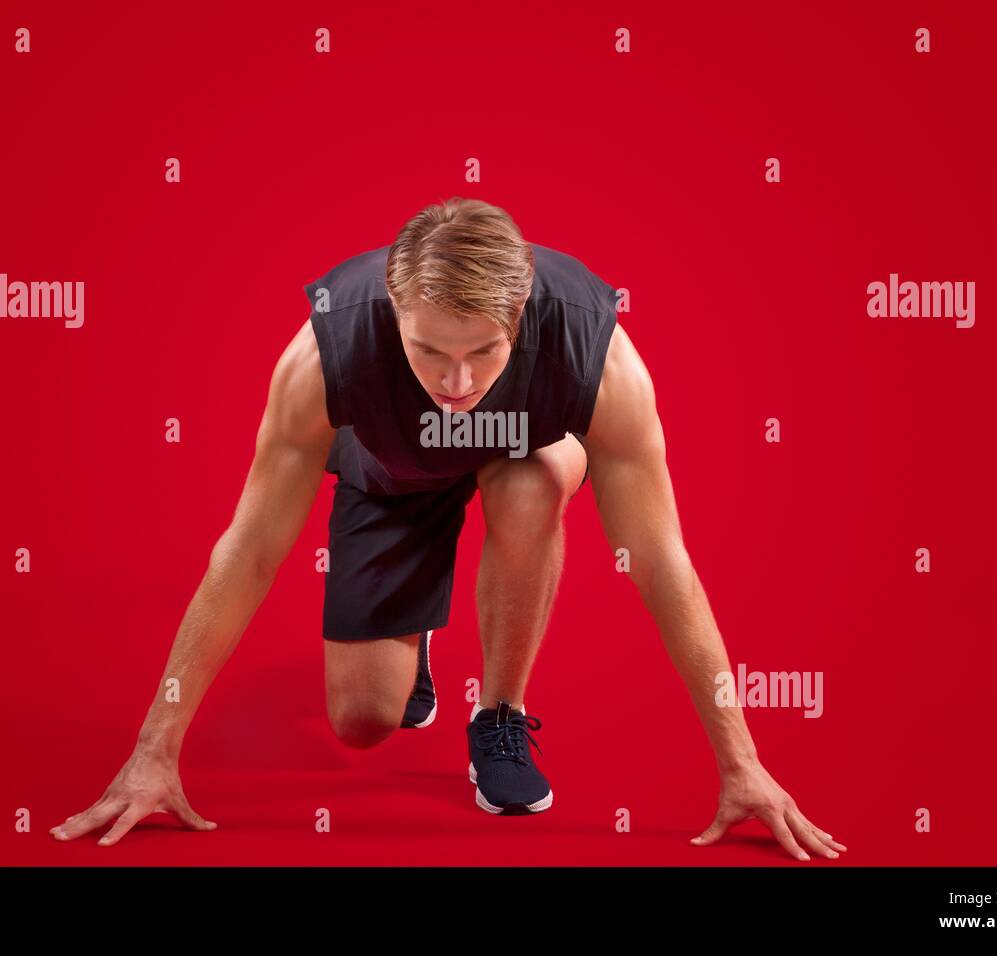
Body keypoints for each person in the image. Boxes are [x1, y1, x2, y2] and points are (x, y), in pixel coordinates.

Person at [51, 198, 847, 860]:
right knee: (362, 723)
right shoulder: (324, 356)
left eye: (484, 353)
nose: (457, 383)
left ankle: (497, 714)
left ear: (522, 318)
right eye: (430, 352)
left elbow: (660, 559)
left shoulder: (595, 355)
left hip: (522, 453)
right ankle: (419, 629)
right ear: (393, 311)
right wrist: (155, 747)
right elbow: (250, 550)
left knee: (533, 484)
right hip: (391, 470)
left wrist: (740, 759)